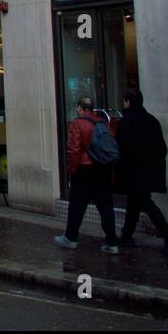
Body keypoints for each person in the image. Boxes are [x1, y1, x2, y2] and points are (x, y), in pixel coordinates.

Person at [117, 87, 168, 253]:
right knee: (135, 203)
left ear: (128, 102)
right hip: (149, 171)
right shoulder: (152, 120)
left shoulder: (127, 121)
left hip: (134, 171)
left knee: (144, 203)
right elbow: (162, 149)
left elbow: (121, 148)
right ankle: (126, 236)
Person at [56, 96, 120, 253]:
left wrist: (72, 171)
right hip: (102, 170)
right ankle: (112, 242)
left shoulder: (77, 124)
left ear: (79, 107)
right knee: (106, 207)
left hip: (84, 170)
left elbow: (73, 150)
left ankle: (70, 237)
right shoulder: (103, 123)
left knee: (76, 206)